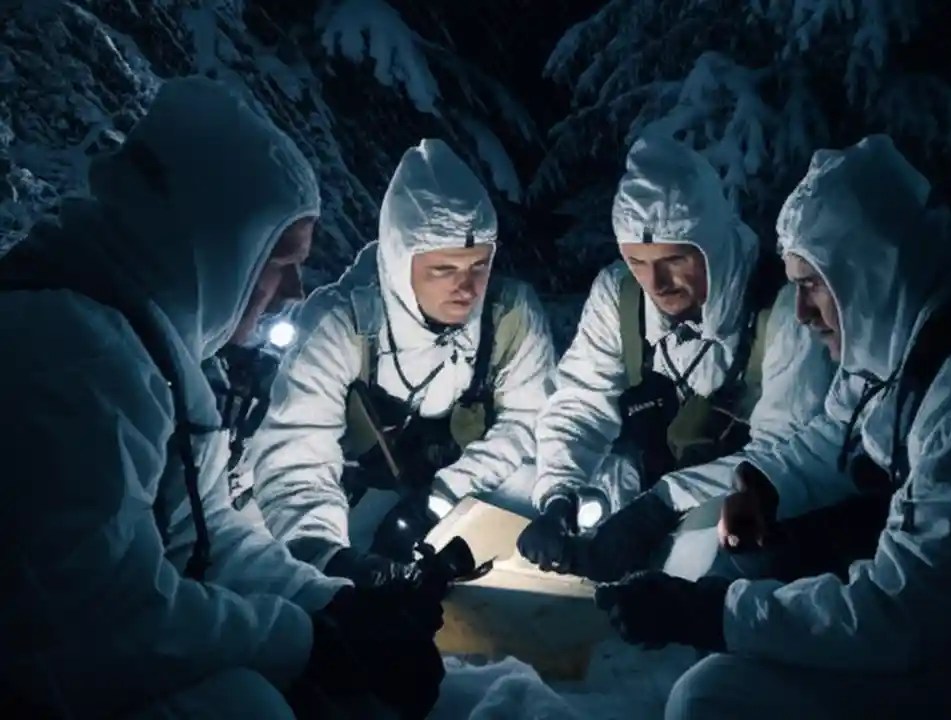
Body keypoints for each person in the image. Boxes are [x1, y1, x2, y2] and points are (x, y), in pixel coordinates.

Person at [594, 135, 951, 719]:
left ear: (868, 272)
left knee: (713, 698)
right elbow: (833, 441)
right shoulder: (904, 350)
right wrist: (761, 487)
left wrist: (712, 612)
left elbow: (899, 613)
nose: (801, 312)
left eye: (811, 284)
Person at [0, 77, 443, 719]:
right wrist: (309, 640)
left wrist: (333, 603)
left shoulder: (143, 348)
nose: (294, 290)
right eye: (280, 259)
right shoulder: (74, 359)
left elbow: (200, 536)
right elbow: (98, 626)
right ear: (215, 242)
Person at [516, 134, 834, 581]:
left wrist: (662, 504)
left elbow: (784, 453)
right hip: (643, 491)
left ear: (712, 246)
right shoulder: (620, 297)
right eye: (637, 261)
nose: (656, 283)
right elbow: (580, 404)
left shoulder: (784, 308)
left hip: (742, 519)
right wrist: (558, 496)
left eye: (675, 259)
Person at [249, 139, 557, 586]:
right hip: (356, 499)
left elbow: (528, 422)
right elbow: (296, 453)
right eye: (444, 269)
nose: (467, 288)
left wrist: (440, 497)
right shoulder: (342, 325)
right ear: (400, 260)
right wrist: (330, 559)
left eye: (478, 266)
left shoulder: (511, 316)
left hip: (472, 491)